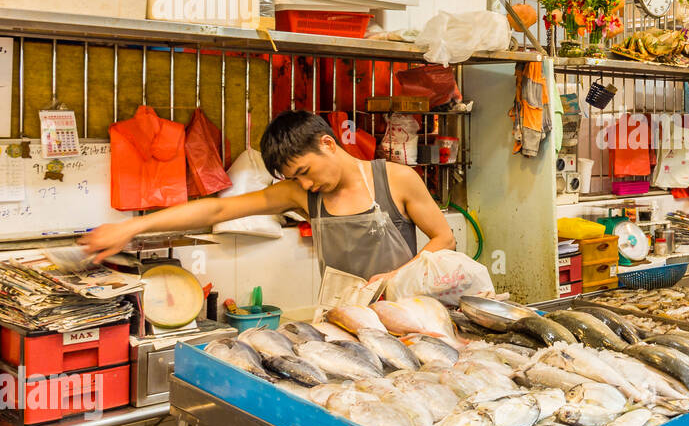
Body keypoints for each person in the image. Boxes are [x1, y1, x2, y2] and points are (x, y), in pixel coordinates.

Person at [80, 111, 456, 285]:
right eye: (295, 179)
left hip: (405, 313)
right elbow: (220, 207)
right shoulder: (300, 194)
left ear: (328, 144)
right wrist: (135, 225)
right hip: (343, 318)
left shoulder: (397, 180)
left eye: (305, 172)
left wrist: (395, 280)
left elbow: (445, 239)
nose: (305, 186)